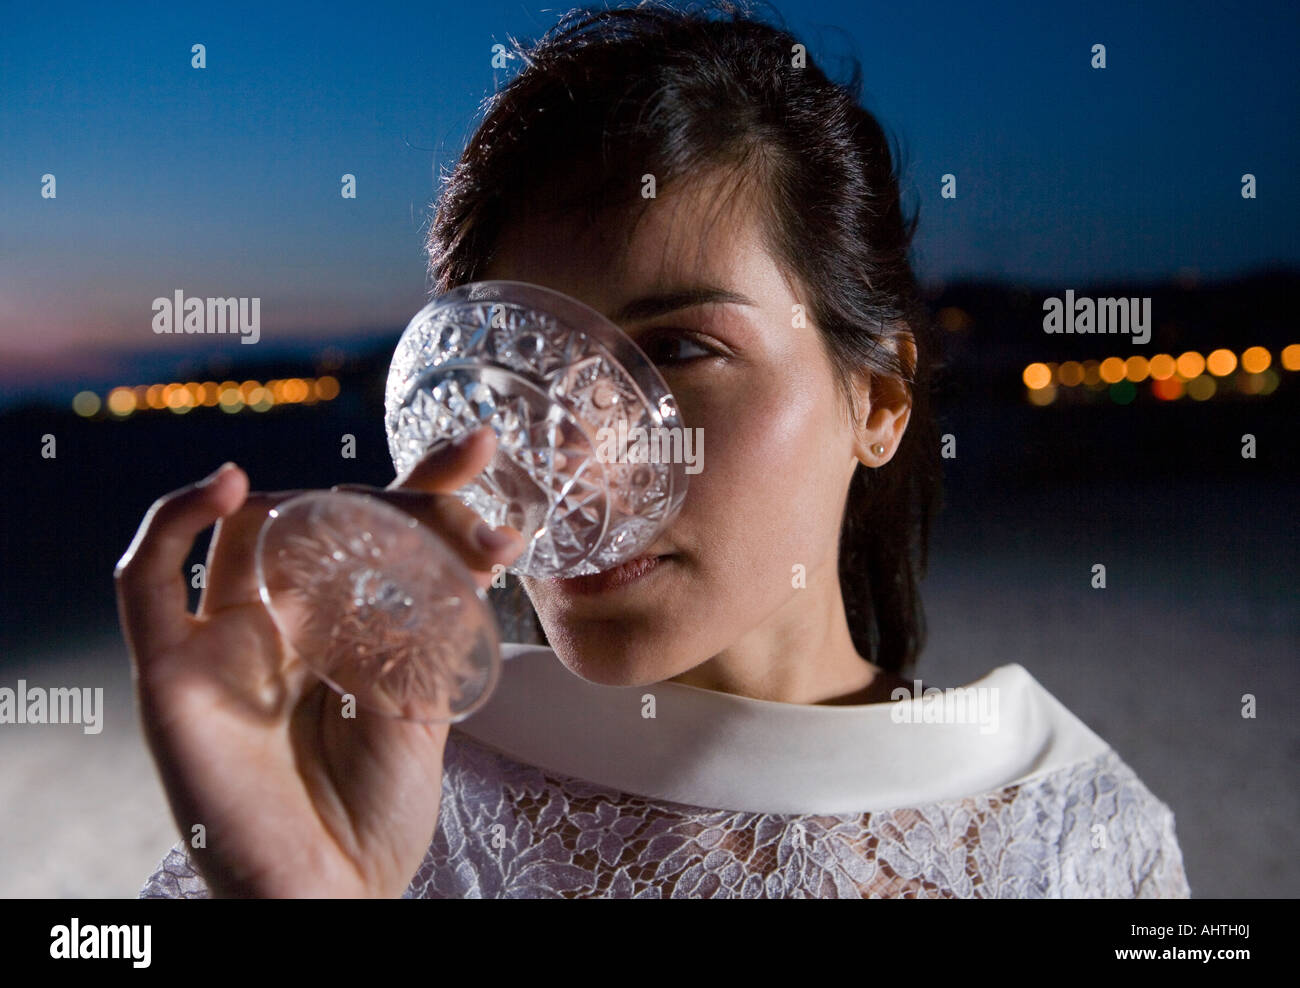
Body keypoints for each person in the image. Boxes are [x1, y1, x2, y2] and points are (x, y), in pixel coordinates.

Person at [126, 1, 1191, 898]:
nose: (573, 459)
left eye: (678, 349)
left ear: (876, 395)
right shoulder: (378, 775)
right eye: (522, 370)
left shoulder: (1079, 839)